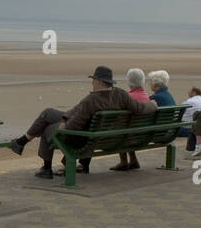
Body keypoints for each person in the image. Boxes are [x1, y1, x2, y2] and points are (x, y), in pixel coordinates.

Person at [8, 65, 156, 178]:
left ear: (98, 82)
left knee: (48, 129)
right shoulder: (120, 95)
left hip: (82, 136)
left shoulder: (91, 100)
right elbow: (140, 108)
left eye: (93, 80)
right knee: (48, 113)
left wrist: (64, 126)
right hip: (99, 134)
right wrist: (153, 105)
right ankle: (22, 142)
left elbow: (75, 125)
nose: (92, 83)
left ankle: (45, 168)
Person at [113, 68, 151, 171]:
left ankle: (123, 161)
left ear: (129, 82)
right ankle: (133, 160)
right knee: (130, 128)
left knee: (123, 129)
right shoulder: (146, 97)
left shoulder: (128, 98)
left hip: (130, 136)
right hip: (145, 135)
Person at [181, 87, 201, 152]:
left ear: (194, 92)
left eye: (189, 91)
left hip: (187, 128)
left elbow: (178, 113)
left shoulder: (190, 101)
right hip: (199, 127)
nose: (188, 93)